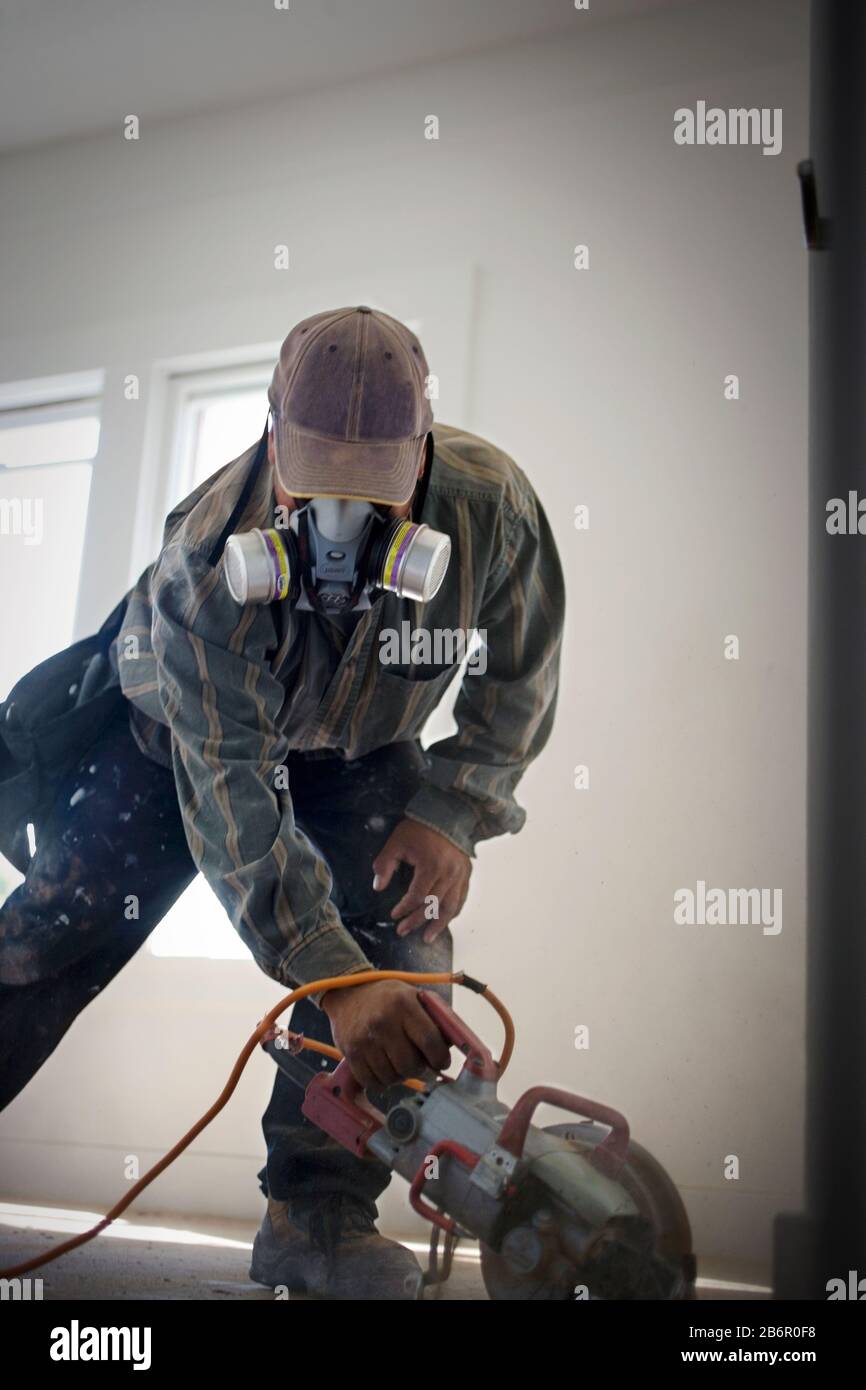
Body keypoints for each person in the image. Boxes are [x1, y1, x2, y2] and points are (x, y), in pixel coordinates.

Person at [0, 305, 565, 1299]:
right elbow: (231, 788)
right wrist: (330, 982)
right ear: (272, 439)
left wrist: (456, 805)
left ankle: (314, 1218)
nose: (342, 531)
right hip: (172, 743)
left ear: (421, 452)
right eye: (317, 489)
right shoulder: (205, 563)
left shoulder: (491, 509)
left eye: (375, 496)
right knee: (43, 942)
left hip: (359, 750)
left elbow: (519, 671)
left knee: (398, 937)